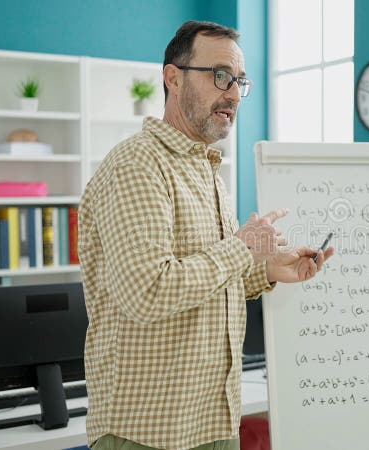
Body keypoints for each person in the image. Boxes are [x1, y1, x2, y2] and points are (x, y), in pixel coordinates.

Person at [79, 20, 334, 450]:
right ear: (173, 78)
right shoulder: (136, 165)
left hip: (212, 423)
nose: (233, 93)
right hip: (146, 433)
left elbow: (206, 280)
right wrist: (241, 248)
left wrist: (266, 270)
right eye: (220, 76)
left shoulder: (205, 169)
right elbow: (149, 291)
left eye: (239, 81)